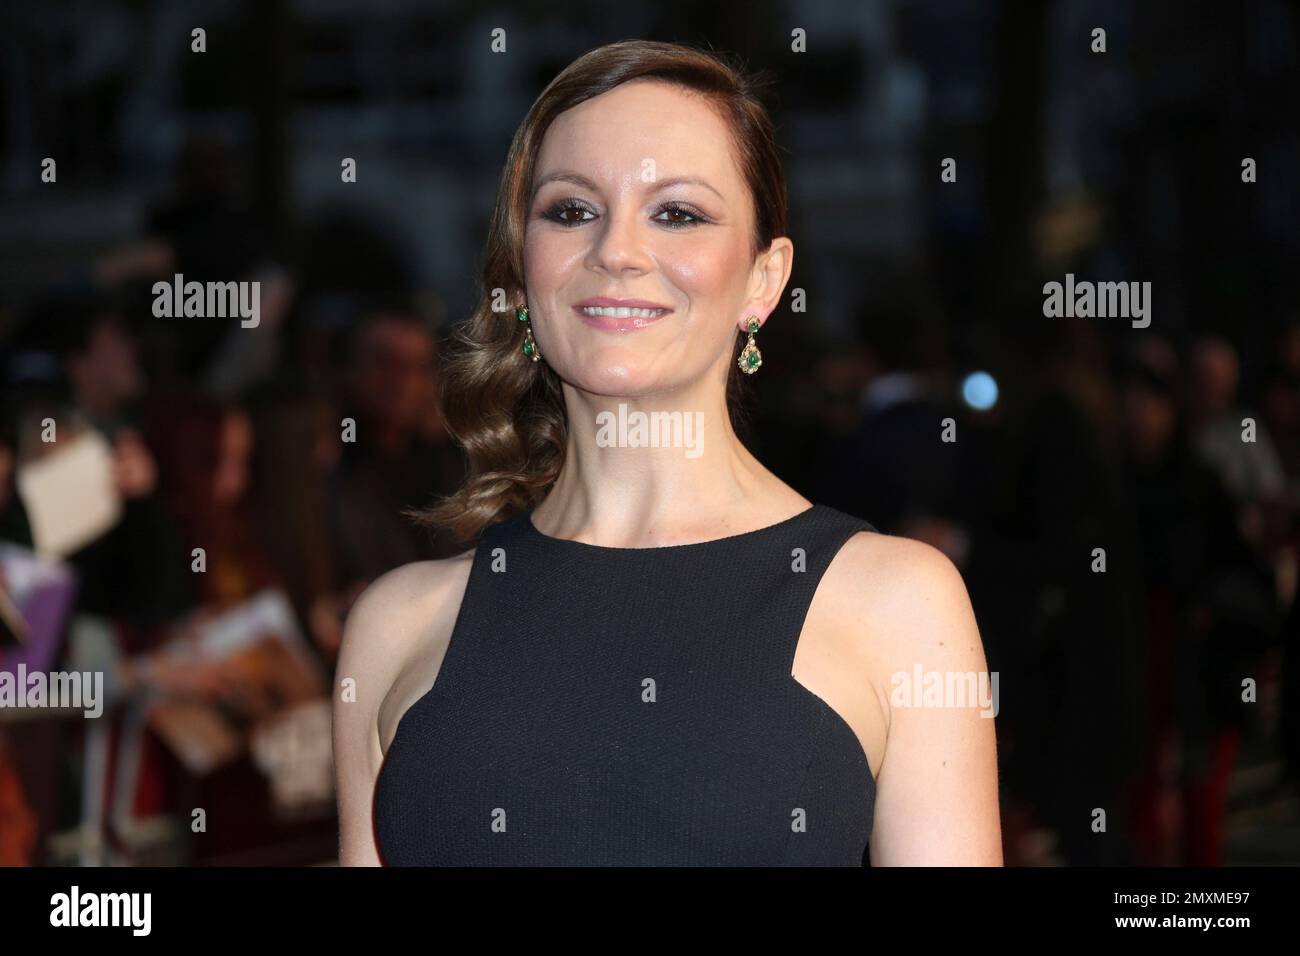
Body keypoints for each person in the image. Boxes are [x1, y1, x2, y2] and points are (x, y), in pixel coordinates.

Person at [333, 40, 1001, 867]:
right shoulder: (396, 626)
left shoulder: (899, 606)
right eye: (572, 210)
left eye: (677, 212)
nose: (616, 250)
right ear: (522, 269)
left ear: (764, 279)